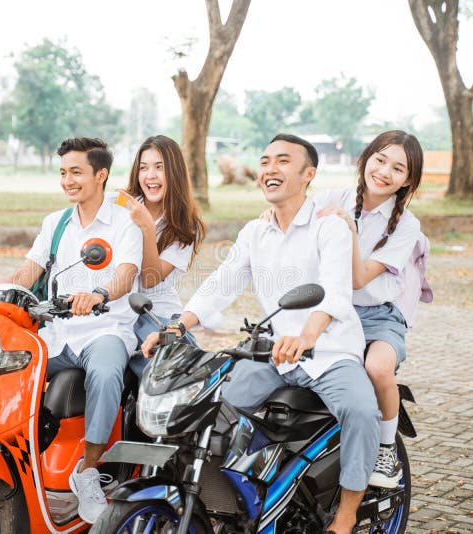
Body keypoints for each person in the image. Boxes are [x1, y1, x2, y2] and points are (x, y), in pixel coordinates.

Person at [141, 134, 379, 534]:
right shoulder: (256, 231)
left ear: (308, 174)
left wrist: (306, 336)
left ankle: (347, 513)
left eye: (283, 161)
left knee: (361, 411)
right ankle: (250, 493)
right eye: (265, 161)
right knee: (215, 407)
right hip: (272, 353)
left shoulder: (329, 227)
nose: (270, 168)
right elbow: (222, 283)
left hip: (329, 352)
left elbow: (335, 292)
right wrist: (177, 326)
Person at [0, 137, 143, 524]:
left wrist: (99, 294)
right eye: (63, 173)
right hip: (56, 332)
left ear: (100, 175)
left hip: (104, 328)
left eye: (76, 172)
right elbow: (28, 271)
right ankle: (3, 458)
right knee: (1, 367)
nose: (67, 181)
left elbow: (125, 274)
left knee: (105, 374)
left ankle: (88, 471)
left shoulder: (123, 223)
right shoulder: (56, 222)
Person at [313, 130, 424, 489]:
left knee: (377, 368)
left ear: (408, 181)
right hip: (330, 310)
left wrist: (348, 229)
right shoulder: (330, 198)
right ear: (365, 159)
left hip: (378, 317)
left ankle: (386, 449)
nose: (384, 171)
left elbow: (359, 279)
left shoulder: (406, 225)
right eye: (380, 159)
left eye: (398, 168)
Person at [114, 135, 206, 377]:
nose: (150, 176)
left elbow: (150, 279)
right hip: (115, 308)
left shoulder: (186, 225)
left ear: (174, 172)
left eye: (159, 167)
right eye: (143, 168)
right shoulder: (121, 205)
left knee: (165, 372)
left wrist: (146, 227)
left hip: (155, 313)